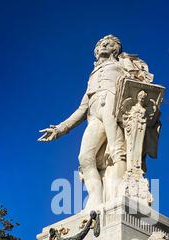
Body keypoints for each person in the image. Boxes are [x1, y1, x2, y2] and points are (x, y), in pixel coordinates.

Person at [38, 35, 154, 209]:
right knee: (85, 158)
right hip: (94, 114)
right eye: (100, 44)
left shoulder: (122, 64)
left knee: (116, 151)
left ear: (115, 49)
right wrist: (60, 129)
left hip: (113, 107)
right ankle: (96, 199)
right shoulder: (92, 75)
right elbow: (82, 108)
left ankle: (118, 195)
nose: (102, 46)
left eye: (107, 44)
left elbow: (140, 84)